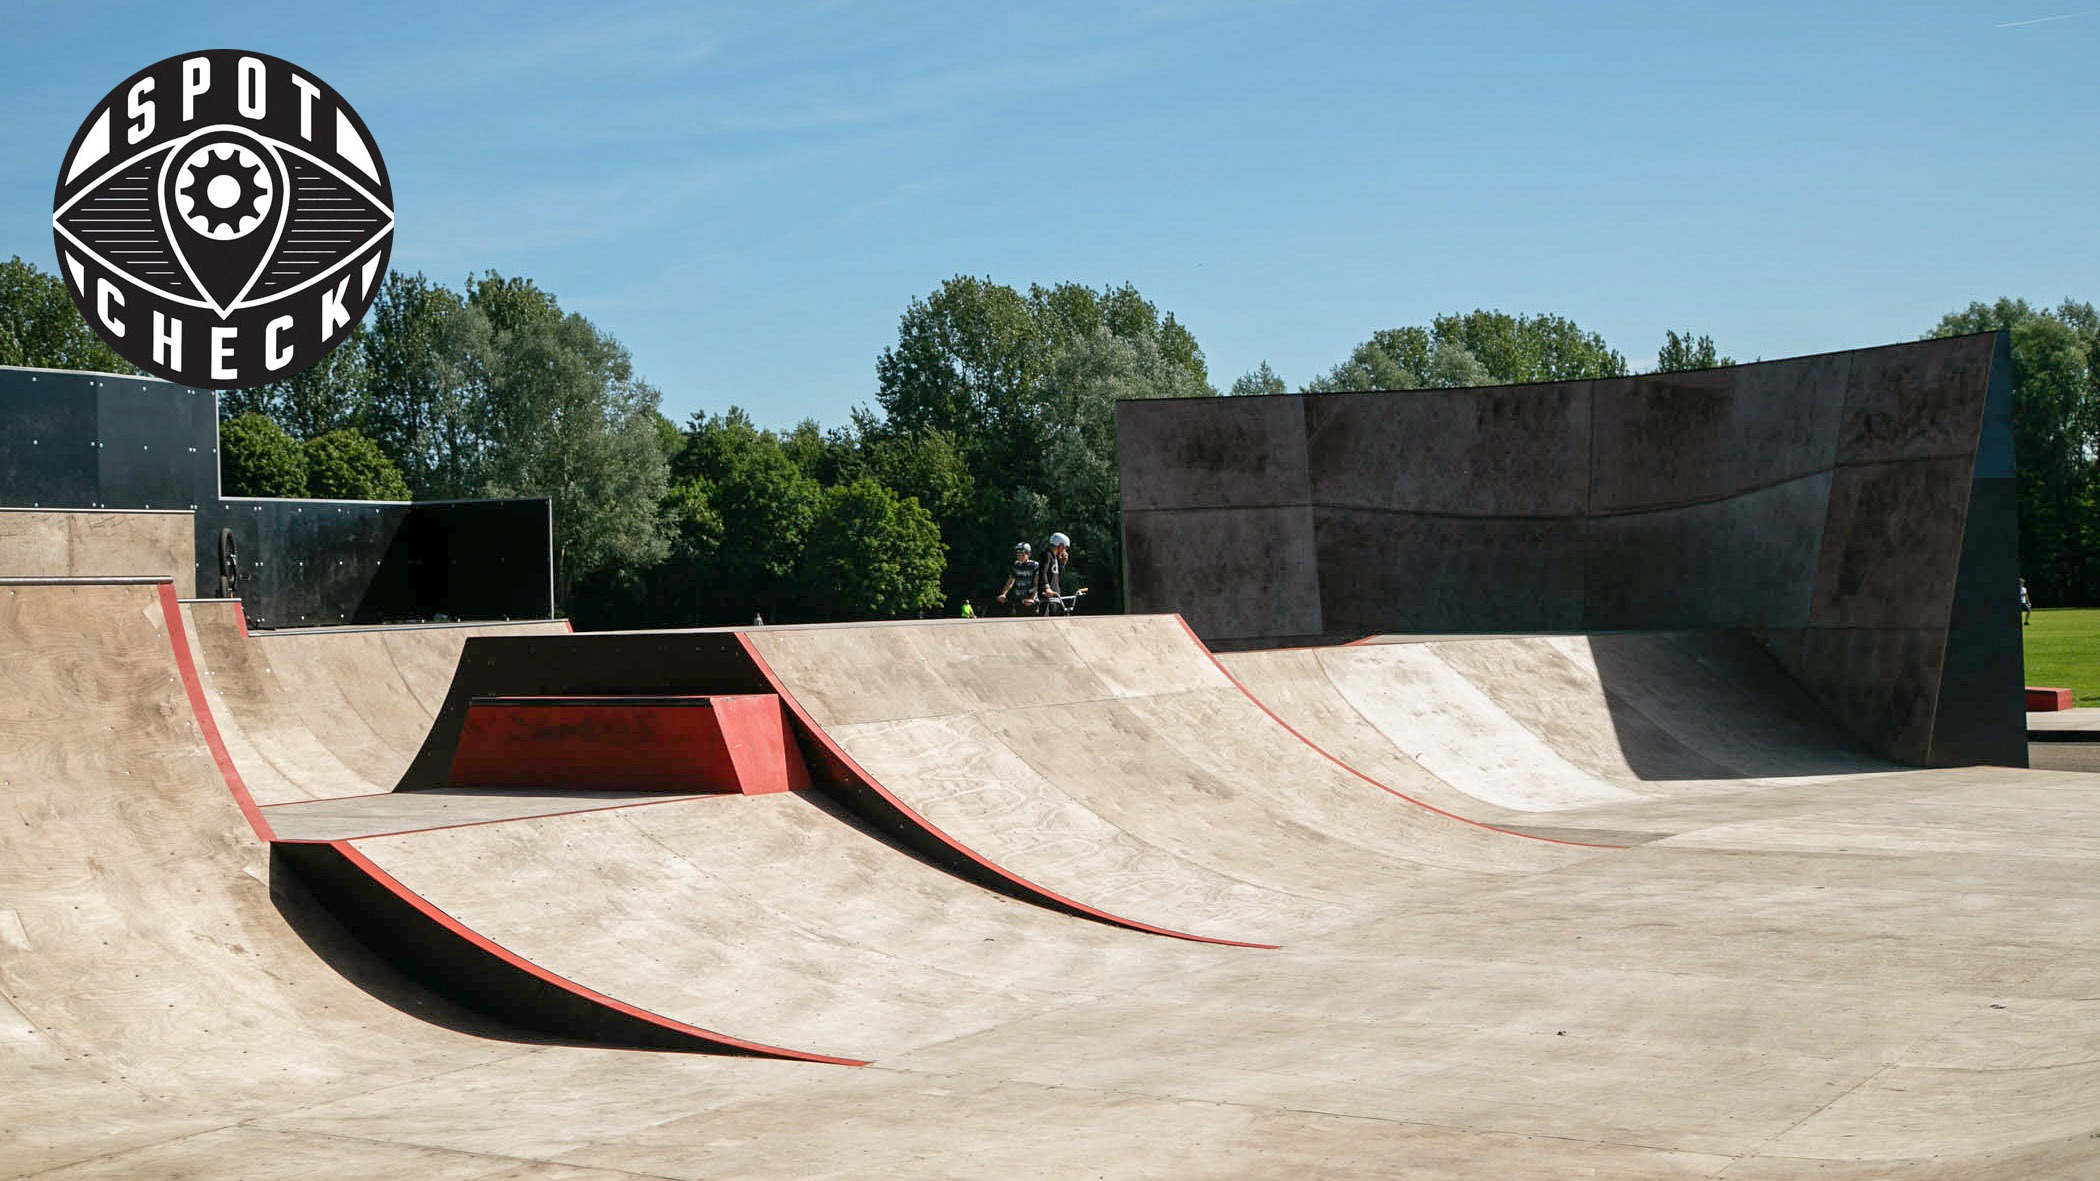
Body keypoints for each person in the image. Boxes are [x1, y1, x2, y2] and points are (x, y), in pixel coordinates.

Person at [1035, 531, 1086, 615]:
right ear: (1061, 546)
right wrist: (1046, 587)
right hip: (1048, 598)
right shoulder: (1047, 554)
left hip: (1055, 596)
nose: (1064, 551)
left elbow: (1056, 578)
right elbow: (1042, 571)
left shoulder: (1054, 558)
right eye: (1065, 548)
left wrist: (1062, 564)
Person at [996, 542, 1039, 616]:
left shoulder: (1034, 565)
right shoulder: (1016, 565)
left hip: (1031, 600)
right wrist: (1003, 594)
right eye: (1018, 553)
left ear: (1028, 554)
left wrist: (1032, 598)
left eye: (1022, 553)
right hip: (1019, 599)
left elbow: (1036, 584)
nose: (1019, 555)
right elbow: (1010, 581)